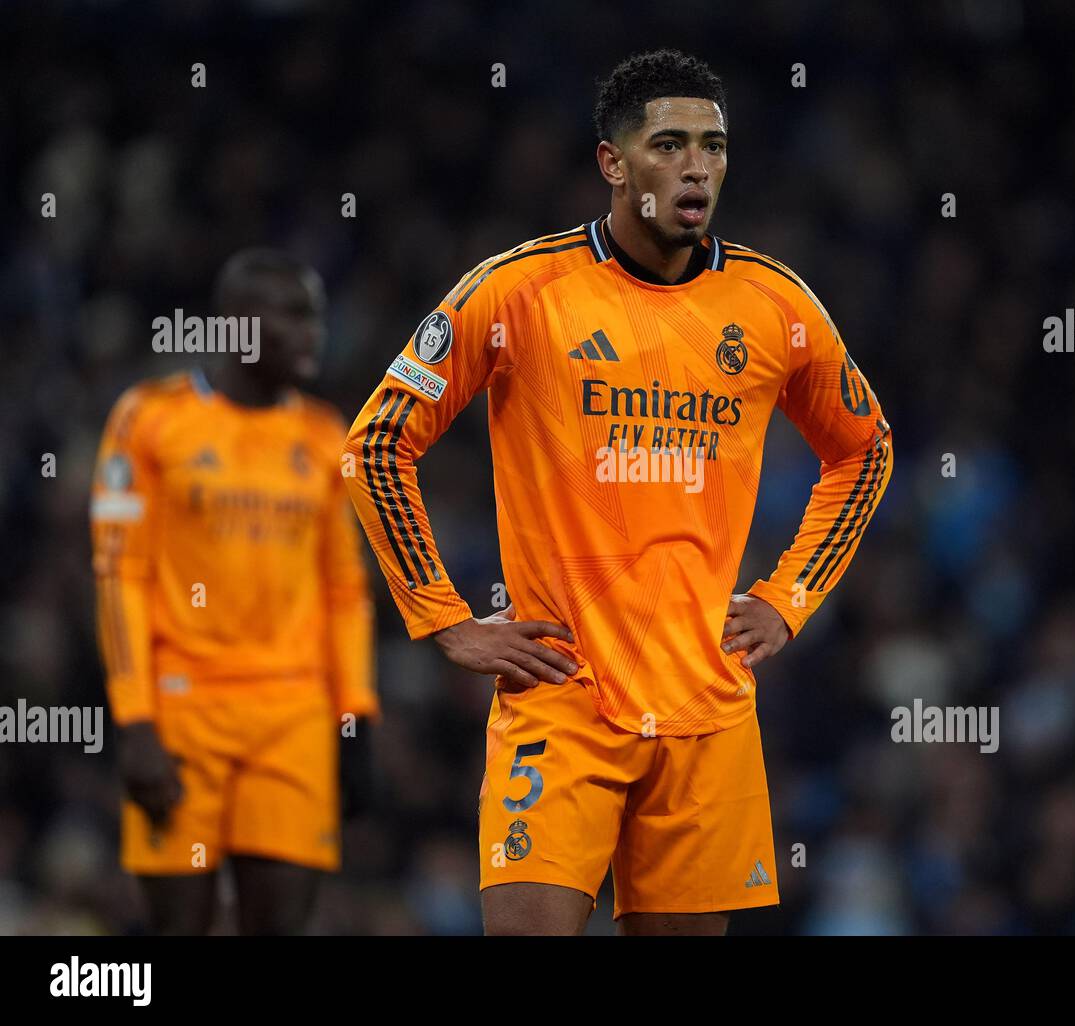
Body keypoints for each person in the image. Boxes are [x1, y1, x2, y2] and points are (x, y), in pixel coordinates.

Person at [343, 48, 892, 935]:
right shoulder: (521, 292)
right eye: (669, 144)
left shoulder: (773, 304)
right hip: (562, 699)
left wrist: (790, 598)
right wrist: (442, 617)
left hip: (706, 711)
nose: (697, 167)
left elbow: (865, 451)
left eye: (713, 146)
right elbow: (374, 447)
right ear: (612, 162)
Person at [91, 249, 377, 934]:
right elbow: (117, 575)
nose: (316, 333)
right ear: (239, 325)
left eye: (318, 317)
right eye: (296, 316)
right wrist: (134, 721)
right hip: (183, 711)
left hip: (294, 720)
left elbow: (344, 589)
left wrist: (357, 714)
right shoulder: (149, 418)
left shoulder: (322, 433)